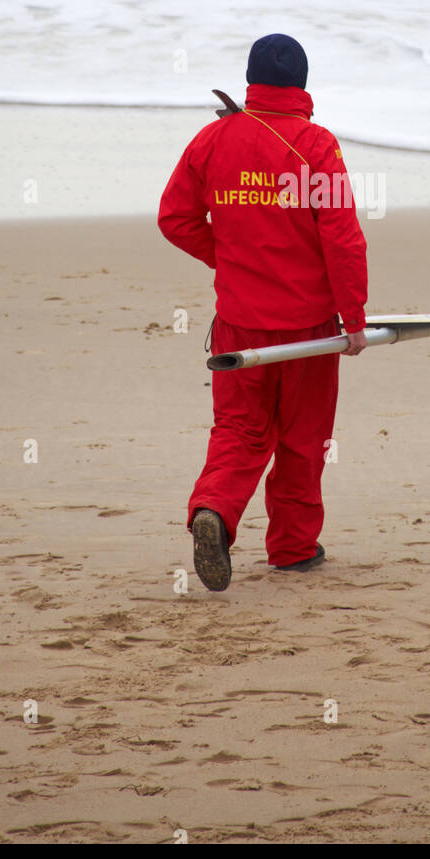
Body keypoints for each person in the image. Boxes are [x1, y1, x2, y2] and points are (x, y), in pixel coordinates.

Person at [158, 33, 369, 592]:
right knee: (302, 437)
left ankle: (216, 514)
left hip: (239, 324)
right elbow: (343, 240)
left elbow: (175, 219)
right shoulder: (318, 146)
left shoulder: (211, 140)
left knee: (240, 431)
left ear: (252, 81)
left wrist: (228, 258)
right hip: (309, 331)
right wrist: (354, 321)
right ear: (302, 85)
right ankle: (294, 549)